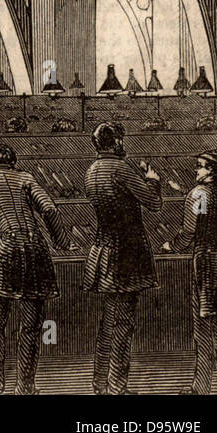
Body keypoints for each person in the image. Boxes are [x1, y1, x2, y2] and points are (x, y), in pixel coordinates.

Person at [0, 142, 66, 395]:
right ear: (12, 161)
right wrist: (61, 241)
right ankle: (26, 387)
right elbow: (49, 209)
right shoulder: (25, 178)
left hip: (7, 248)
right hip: (36, 247)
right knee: (33, 325)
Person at [82, 121, 161, 395]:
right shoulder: (122, 168)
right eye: (121, 139)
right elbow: (153, 203)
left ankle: (100, 384)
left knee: (108, 321)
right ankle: (116, 388)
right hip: (126, 253)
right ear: (116, 142)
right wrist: (151, 179)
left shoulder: (92, 171)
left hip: (103, 250)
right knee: (123, 322)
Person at [166, 149, 217, 394]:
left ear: (212, 169)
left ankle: (201, 389)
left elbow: (189, 232)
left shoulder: (199, 193)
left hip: (207, 262)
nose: (196, 170)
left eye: (200, 166)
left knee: (204, 329)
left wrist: (171, 246)